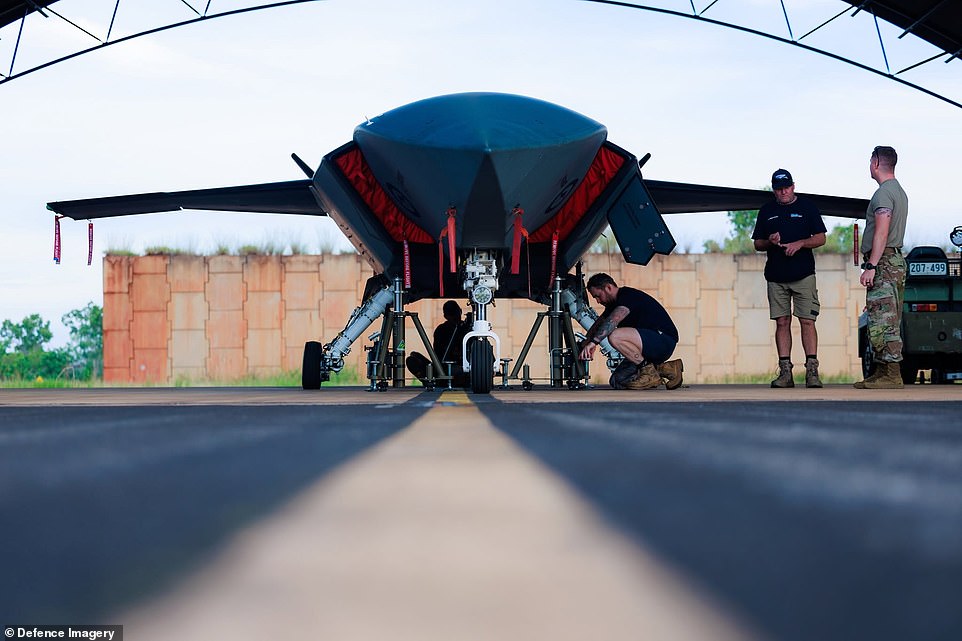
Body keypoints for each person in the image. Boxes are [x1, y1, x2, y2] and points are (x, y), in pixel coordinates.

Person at [752, 168, 827, 388]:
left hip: (803, 274)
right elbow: (757, 243)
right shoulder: (766, 210)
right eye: (778, 189)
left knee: (807, 320)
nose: (783, 192)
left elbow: (821, 238)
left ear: (793, 186)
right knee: (782, 322)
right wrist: (770, 241)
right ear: (774, 190)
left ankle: (812, 372)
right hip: (776, 276)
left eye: (786, 187)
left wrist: (800, 243)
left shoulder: (807, 207)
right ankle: (785, 373)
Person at [854, 146, 909, 389]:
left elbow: (882, 231)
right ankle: (881, 370)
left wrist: (871, 265)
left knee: (884, 318)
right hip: (893, 261)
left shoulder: (884, 194)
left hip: (884, 262)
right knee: (884, 316)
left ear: (876, 163)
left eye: (869, 161)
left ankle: (892, 374)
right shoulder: (898, 191)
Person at [579, 273, 683, 390]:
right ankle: (667, 369)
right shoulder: (612, 306)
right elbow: (600, 324)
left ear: (608, 287)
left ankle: (649, 373)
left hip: (662, 341)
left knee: (614, 336)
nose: (598, 301)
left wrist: (594, 343)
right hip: (646, 348)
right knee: (617, 381)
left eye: (598, 296)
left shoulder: (627, 296)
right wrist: (586, 342)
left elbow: (613, 320)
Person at [406, 300, 471, 387]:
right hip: (442, 367)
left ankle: (440, 381)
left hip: (463, 368)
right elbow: (437, 354)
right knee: (413, 357)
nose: (454, 317)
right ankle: (432, 381)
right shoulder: (441, 330)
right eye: (451, 314)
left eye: (454, 313)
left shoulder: (468, 329)